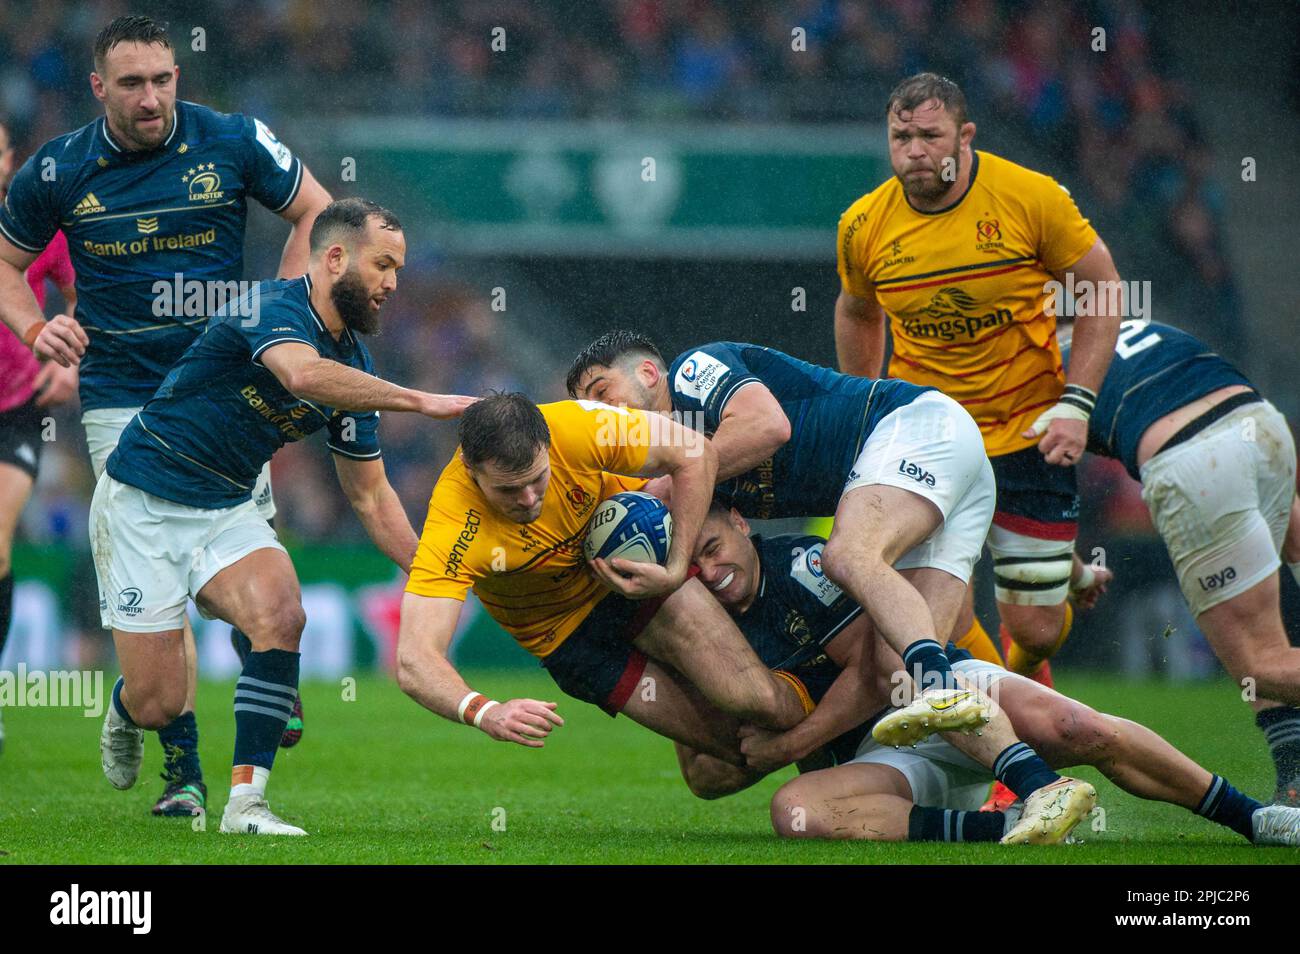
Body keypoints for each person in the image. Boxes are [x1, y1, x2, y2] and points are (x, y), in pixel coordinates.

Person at [0, 15, 334, 816]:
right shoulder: (57, 170)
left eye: (162, 80)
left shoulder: (233, 141)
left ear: (178, 76)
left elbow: (318, 212)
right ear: (97, 87)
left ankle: (257, 671)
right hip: (121, 405)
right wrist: (34, 326)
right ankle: (142, 706)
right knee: (165, 659)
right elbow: (6, 264)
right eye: (131, 84)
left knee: (264, 600)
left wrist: (284, 314)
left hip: (221, 400)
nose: (151, 99)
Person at [93, 197, 472, 835]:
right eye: (382, 265)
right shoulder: (267, 306)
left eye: (398, 269)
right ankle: (127, 710)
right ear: (333, 258)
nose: (392, 284)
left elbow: (372, 497)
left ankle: (246, 806)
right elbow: (299, 375)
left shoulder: (356, 368)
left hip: (226, 505)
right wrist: (419, 400)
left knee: (283, 614)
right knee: (159, 700)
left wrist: (435, 573)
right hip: (143, 501)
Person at [680, 504, 1300, 847]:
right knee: (795, 812)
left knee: (1078, 726)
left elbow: (876, 678)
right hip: (880, 766)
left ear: (740, 522)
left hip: (940, 696)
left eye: (713, 548)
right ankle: (1004, 826)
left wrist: (785, 745)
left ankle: (1253, 818)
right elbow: (704, 778)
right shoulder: (698, 626)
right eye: (692, 564)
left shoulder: (803, 566)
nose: (710, 572)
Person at [832, 72, 1124, 700]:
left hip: (1029, 431)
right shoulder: (863, 225)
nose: (915, 152)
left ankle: (1052, 593)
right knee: (941, 615)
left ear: (965, 136)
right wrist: (863, 411)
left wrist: (1078, 403)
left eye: (930, 136)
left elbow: (1102, 288)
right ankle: (1009, 735)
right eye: (900, 136)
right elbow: (858, 311)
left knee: (1037, 631)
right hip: (930, 437)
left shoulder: (1031, 197)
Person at [395, 392, 814, 761]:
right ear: (471, 468)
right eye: (508, 490)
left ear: (548, 443)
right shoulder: (453, 526)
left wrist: (674, 567)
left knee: (757, 701)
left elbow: (696, 454)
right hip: (567, 638)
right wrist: (485, 711)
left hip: (638, 573)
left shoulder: (578, 427)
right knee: (731, 757)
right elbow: (415, 660)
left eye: (538, 479)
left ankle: (852, 712)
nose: (528, 499)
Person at [1065, 319, 1300, 806]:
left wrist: (1076, 573)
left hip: (1197, 460)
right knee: (1259, 641)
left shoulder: (1029, 367)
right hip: (1265, 429)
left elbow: (1033, 511)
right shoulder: (1147, 326)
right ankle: (1295, 783)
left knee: (1261, 662)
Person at [0, 117, 79, 755]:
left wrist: (66, 360)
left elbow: (81, 297)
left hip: (16, 408)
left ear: (9, 161)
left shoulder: (36, 231)